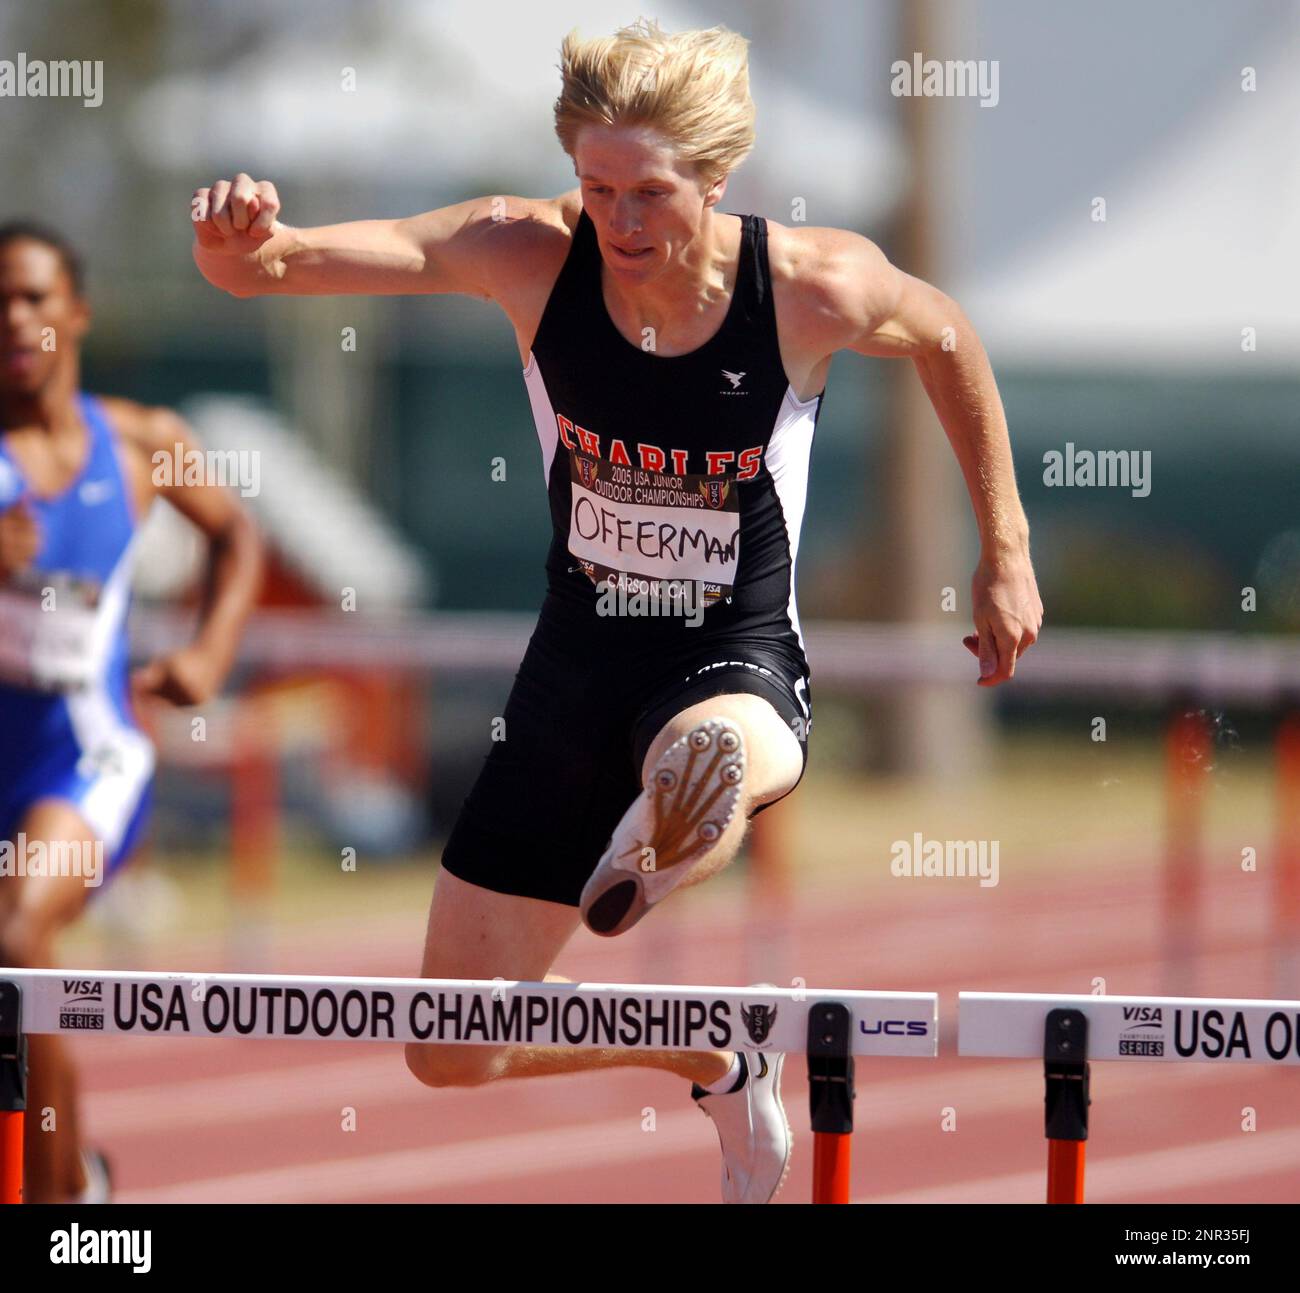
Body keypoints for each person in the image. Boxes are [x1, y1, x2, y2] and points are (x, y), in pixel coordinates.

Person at [190, 18, 1042, 1203]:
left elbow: (947, 334)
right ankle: (709, 1048)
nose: (622, 226)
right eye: (597, 189)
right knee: (449, 1048)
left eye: (651, 193)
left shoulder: (805, 286)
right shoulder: (523, 250)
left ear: (718, 178)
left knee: (704, 753)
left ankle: (675, 819)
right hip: (573, 668)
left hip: (735, 655)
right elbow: (266, 269)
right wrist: (236, 242)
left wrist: (1003, 546)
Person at [0, 223, 264, 1203]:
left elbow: (238, 537)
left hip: (82, 757)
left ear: (76, 313)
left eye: (34, 298)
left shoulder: (143, 441)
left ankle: (70, 1201)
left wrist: (207, 653)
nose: (16, 320)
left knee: (17, 936)